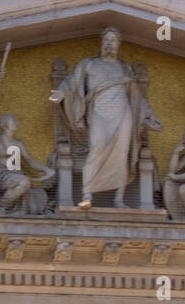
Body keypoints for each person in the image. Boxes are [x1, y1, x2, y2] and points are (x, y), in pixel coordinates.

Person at [49, 27, 162, 209]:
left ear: (118, 45)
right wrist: (60, 93)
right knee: (96, 149)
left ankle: (119, 199)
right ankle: (87, 195)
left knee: (121, 155)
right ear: (102, 43)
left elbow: (137, 97)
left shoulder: (124, 68)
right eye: (107, 40)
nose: (110, 43)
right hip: (99, 113)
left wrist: (151, 117)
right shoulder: (89, 64)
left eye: (113, 40)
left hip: (123, 114)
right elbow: (71, 82)